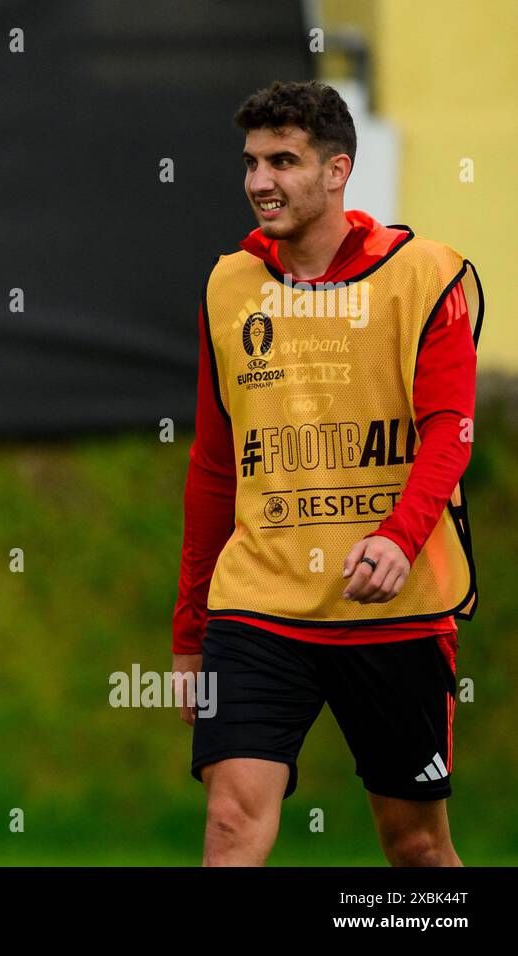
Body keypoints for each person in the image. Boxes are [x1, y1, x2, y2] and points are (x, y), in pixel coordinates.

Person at [173, 80, 482, 866]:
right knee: (231, 827)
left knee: (414, 845)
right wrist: (190, 631)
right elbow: (214, 464)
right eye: (250, 162)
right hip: (258, 605)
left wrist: (399, 539)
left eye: (283, 160)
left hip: (397, 609)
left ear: (339, 170)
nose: (259, 181)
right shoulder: (227, 285)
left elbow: (450, 432)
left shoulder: (426, 277)